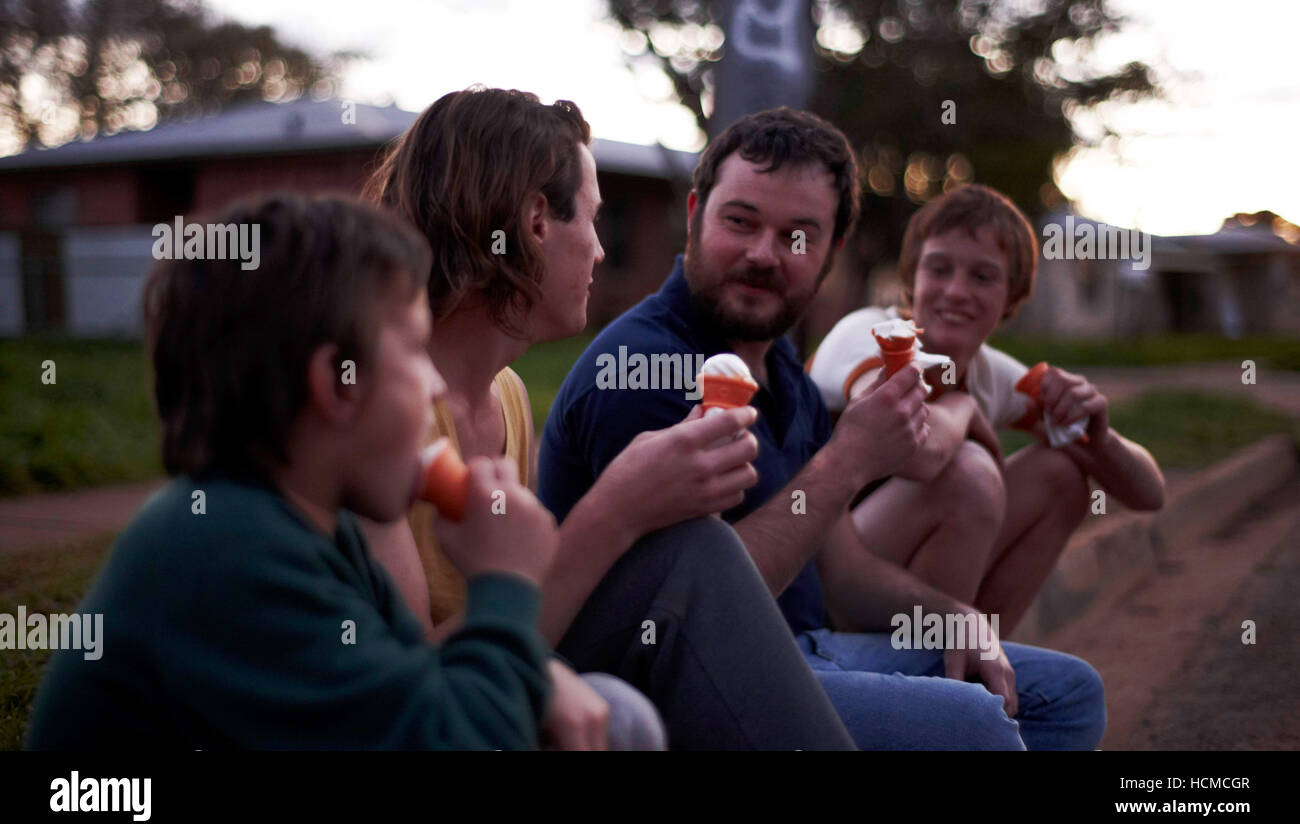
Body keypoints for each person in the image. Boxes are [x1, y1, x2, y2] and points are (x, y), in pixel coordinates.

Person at [539, 107, 1108, 749]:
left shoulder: (786, 372)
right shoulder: (644, 368)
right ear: (695, 215)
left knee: (1067, 695)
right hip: (683, 685)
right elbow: (688, 610)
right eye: (740, 222)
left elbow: (842, 574)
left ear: (833, 251)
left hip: (808, 647)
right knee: (976, 725)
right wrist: (849, 461)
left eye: (798, 236)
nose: (763, 254)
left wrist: (958, 618)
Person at [364, 86, 854, 750]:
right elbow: (415, 695)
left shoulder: (506, 394)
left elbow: (521, 620)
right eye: (593, 220)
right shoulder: (375, 420)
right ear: (536, 222)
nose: (600, 251)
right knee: (692, 553)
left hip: (521, 698)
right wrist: (618, 507)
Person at [26, 194, 560, 749]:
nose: (436, 386)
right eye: (416, 350)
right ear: (336, 382)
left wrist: (542, 680)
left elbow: (412, 684)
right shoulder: (228, 550)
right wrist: (506, 583)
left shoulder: (323, 530)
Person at [809, 184, 1165, 634]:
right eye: (939, 268)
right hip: (818, 575)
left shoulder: (990, 373)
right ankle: (929, 665)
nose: (957, 291)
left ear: (1011, 298)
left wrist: (1100, 438)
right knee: (969, 473)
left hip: (890, 573)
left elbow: (1150, 495)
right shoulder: (870, 334)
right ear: (912, 279)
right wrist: (961, 407)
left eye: (982, 277)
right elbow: (916, 453)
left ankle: (981, 653)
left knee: (1060, 474)